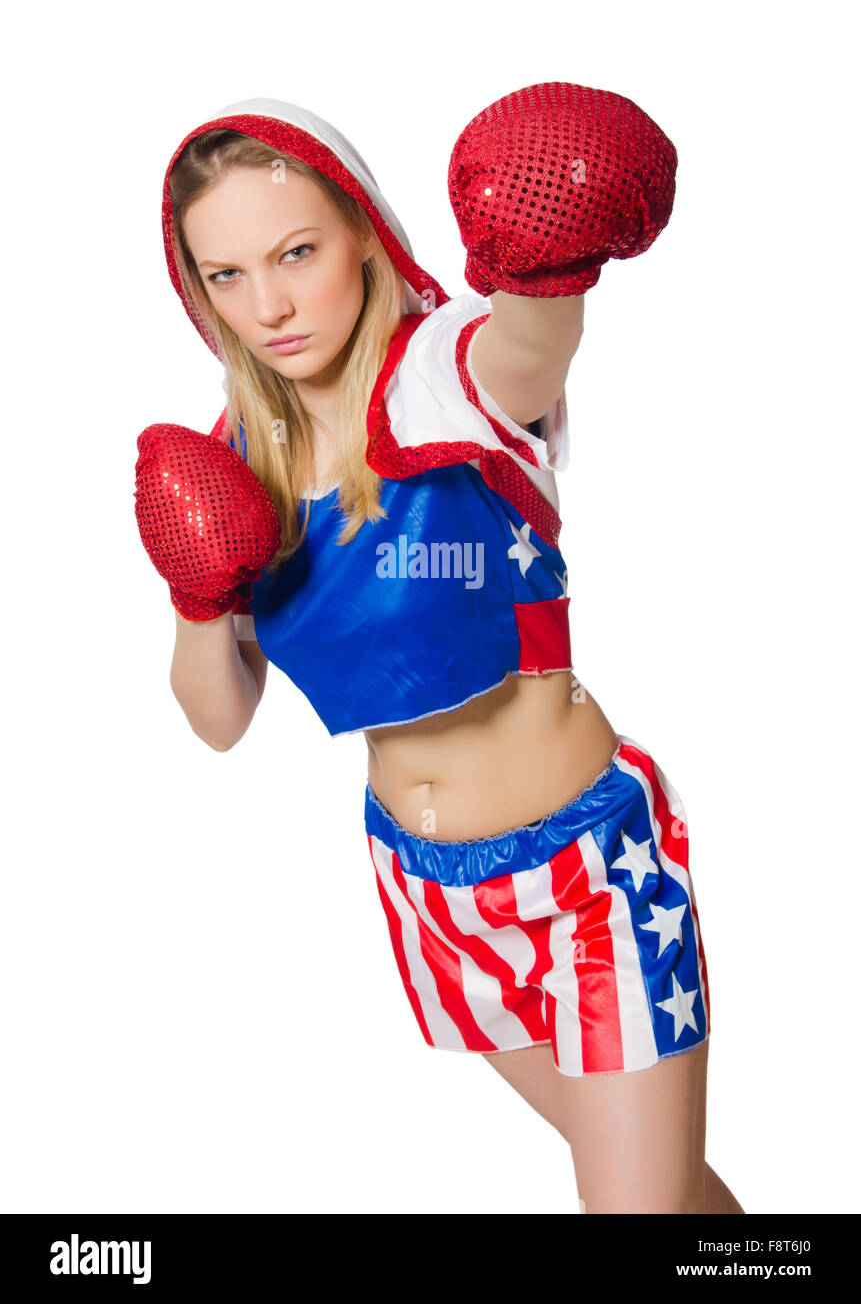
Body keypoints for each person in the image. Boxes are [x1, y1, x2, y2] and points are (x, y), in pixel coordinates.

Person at [135, 86, 744, 1215]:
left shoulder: (450, 371)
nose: (267, 303)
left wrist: (543, 266)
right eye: (227, 275)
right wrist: (192, 587)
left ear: (363, 232)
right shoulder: (231, 457)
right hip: (429, 892)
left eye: (297, 251)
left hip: (586, 882)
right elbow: (219, 720)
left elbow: (532, 343)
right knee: (671, 1196)